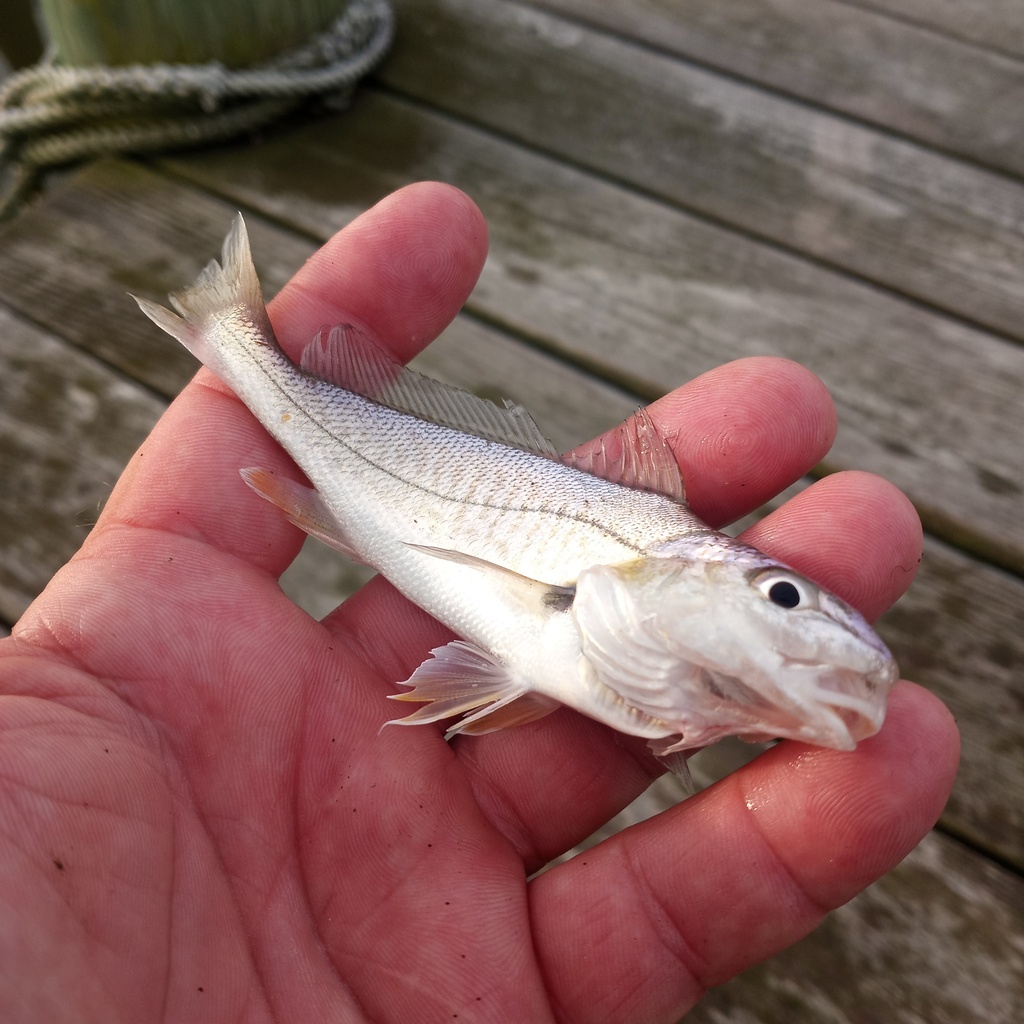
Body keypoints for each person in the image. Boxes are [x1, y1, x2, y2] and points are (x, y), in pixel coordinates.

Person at [0, 183, 958, 1023]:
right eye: (780, 593)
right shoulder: (623, 573)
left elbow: (522, 664)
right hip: (366, 461)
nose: (796, 616)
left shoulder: (645, 666)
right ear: (674, 571)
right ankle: (230, 335)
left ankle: (229, 333)